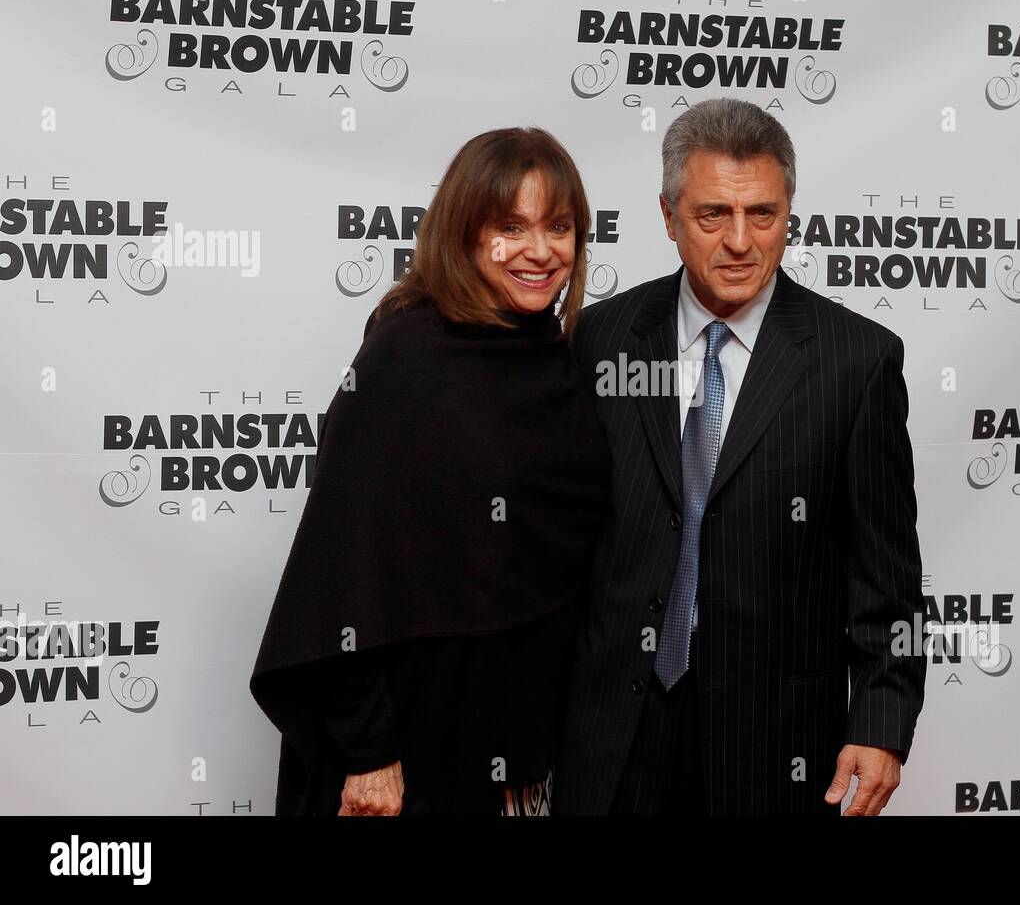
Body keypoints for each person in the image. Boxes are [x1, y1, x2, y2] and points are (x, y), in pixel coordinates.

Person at [553, 98, 926, 816]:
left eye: (763, 214)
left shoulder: (857, 361)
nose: (740, 241)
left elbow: (889, 579)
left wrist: (882, 722)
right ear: (668, 218)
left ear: (790, 215)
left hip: (776, 747)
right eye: (712, 215)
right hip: (611, 737)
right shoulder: (599, 341)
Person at [249, 128, 610, 815]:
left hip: (525, 753)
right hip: (410, 750)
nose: (540, 251)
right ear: (464, 234)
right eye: (510, 227)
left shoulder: (557, 359)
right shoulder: (405, 356)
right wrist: (370, 756)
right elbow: (339, 573)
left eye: (559, 227)